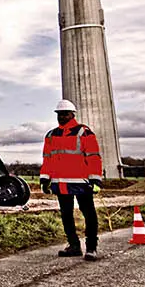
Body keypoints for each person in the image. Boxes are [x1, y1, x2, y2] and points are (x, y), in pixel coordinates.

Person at [40, 99, 104, 260]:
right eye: (59, 114)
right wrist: (44, 179)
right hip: (60, 183)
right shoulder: (50, 135)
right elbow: (47, 158)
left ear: (72, 114)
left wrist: (96, 180)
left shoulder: (84, 132)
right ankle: (74, 246)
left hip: (82, 182)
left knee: (88, 213)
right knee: (66, 214)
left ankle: (91, 248)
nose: (61, 117)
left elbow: (93, 157)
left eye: (64, 114)